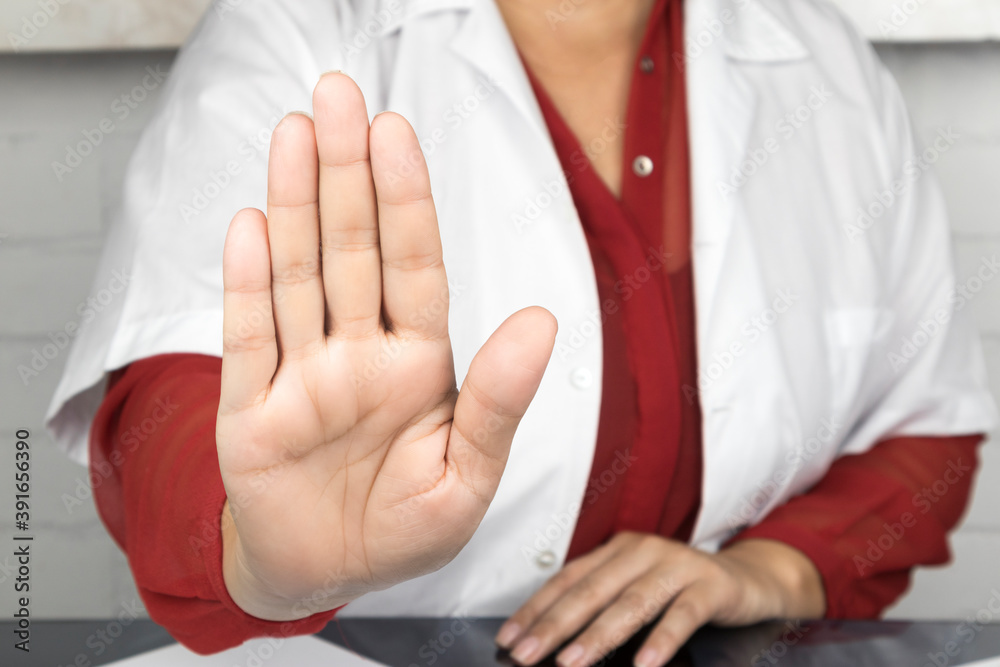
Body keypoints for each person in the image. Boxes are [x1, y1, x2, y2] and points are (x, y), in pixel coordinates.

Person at [46, 0, 998, 665]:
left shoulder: (823, 58)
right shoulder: (296, 29)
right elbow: (161, 403)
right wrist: (257, 553)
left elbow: (924, 429)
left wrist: (778, 567)